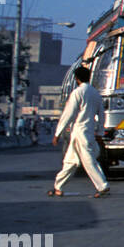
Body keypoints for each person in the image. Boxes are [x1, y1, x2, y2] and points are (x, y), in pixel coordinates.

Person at [47, 66, 110, 198]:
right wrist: (99, 132)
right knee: (70, 161)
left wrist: (57, 133)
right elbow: (101, 115)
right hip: (89, 131)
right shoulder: (95, 93)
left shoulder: (77, 92)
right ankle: (58, 186)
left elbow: (68, 114)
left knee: (88, 160)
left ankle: (102, 186)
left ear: (77, 78)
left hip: (80, 131)